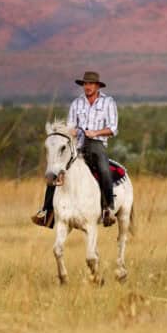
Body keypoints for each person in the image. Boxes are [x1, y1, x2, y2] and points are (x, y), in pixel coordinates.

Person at [33, 71, 119, 228]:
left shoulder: (108, 102)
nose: (87, 87)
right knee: (55, 169)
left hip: (97, 144)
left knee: (104, 169)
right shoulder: (76, 103)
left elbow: (113, 128)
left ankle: (108, 209)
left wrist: (95, 133)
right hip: (77, 145)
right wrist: (70, 131)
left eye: (91, 84)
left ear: (97, 86)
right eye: (85, 84)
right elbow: (71, 126)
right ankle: (47, 211)